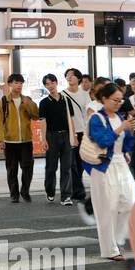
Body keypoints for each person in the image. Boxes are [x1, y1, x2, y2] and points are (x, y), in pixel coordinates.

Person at [82, 83, 135, 260]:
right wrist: (122, 128)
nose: (119, 103)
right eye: (115, 100)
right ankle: (110, 249)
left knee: (129, 202)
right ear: (104, 99)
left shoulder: (121, 117)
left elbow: (127, 140)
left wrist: (128, 145)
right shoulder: (96, 118)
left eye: (121, 100)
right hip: (103, 165)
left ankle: (118, 238)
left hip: (121, 163)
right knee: (108, 209)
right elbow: (103, 141)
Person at [0, 73, 39, 203]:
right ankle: (14, 194)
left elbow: (36, 116)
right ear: (9, 84)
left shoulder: (27, 99)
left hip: (26, 140)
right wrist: (1, 139)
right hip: (10, 141)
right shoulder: (3, 101)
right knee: (12, 169)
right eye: (16, 83)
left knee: (28, 167)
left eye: (21, 83)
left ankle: (25, 191)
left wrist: (29, 104)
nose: (19, 85)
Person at [37, 73, 74, 204]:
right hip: (51, 136)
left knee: (66, 166)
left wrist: (73, 135)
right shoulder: (44, 103)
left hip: (66, 135)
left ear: (56, 83)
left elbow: (71, 120)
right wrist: (43, 139)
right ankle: (50, 191)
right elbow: (43, 122)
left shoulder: (66, 100)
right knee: (51, 167)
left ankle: (66, 196)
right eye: (47, 84)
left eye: (52, 82)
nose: (50, 86)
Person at [61, 68, 90, 213]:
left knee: (80, 163)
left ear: (78, 79)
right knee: (71, 163)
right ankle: (78, 191)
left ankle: (75, 188)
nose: (69, 78)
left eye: (72, 76)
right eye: (67, 76)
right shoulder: (63, 95)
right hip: (69, 132)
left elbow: (89, 113)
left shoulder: (85, 95)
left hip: (83, 131)